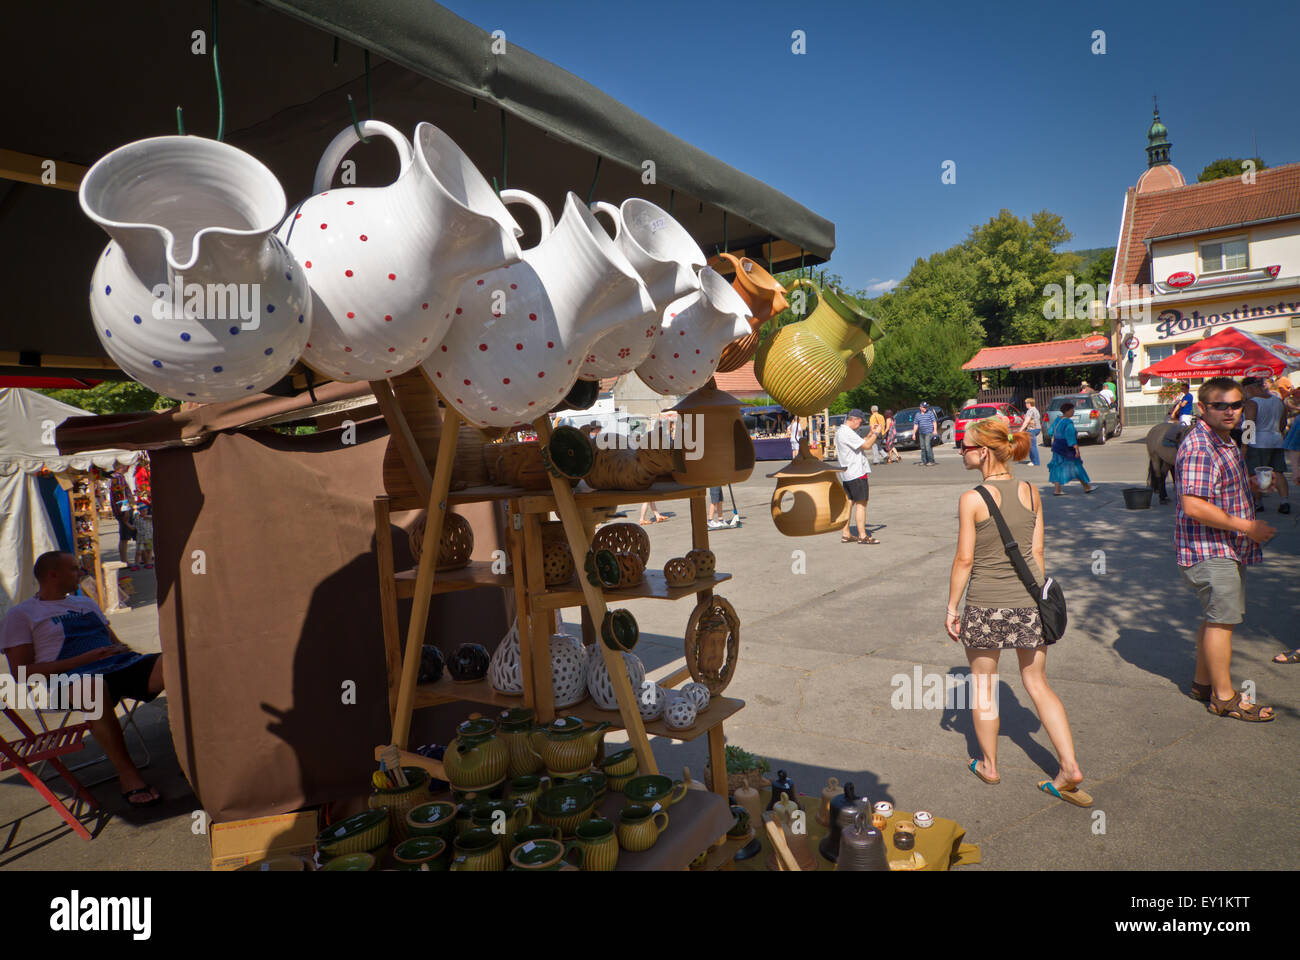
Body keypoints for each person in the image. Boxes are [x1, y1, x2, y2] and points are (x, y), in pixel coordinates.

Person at [945, 418, 1089, 806]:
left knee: (984, 686)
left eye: (965, 445)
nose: (961, 451)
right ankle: (1069, 765)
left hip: (985, 605)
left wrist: (951, 607)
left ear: (984, 452)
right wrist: (1032, 600)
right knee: (1038, 683)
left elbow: (964, 559)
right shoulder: (1030, 490)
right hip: (1028, 604)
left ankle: (989, 766)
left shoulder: (972, 498)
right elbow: (1037, 554)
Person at [1, 551, 165, 805]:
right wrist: (84, 659)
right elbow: (22, 673)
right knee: (93, 687)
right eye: (75, 569)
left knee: (175, 662)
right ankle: (128, 775)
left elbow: (114, 642)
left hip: (116, 666)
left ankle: (197, 747)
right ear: (53, 574)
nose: (81, 573)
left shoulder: (86, 604)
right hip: (64, 681)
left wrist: (123, 649)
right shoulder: (21, 615)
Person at [1175, 377, 1276, 720]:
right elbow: (1194, 505)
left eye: (1236, 404)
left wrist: (1252, 484)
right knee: (1222, 623)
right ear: (1202, 408)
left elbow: (1217, 488)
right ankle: (1224, 697)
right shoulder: (1201, 445)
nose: (1230, 411)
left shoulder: (1223, 441)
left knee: (1215, 618)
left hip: (1222, 546)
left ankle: (1202, 684)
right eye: (1221, 405)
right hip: (1209, 549)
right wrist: (1249, 526)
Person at [1241, 376, 1290, 514]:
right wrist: (1276, 433)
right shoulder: (1278, 401)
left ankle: (1258, 503)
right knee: (1279, 472)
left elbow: (1249, 425)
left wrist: (1244, 446)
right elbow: (1283, 423)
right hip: (1276, 439)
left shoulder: (1252, 402)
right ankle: (1284, 501)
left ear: (1249, 388)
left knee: (1255, 472)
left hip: (1258, 441)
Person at [835, 409, 880, 543]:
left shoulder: (841, 431)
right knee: (862, 503)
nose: (860, 425)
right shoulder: (847, 432)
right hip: (856, 472)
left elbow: (860, 443)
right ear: (854, 419)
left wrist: (871, 433)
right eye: (860, 422)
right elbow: (866, 445)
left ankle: (846, 533)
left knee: (849, 503)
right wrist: (876, 434)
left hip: (847, 473)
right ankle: (862, 535)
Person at [1047, 403, 1094, 495]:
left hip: (1057, 446)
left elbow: (1050, 432)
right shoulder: (1068, 423)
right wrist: (1076, 448)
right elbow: (1070, 436)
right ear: (1067, 411)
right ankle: (1087, 487)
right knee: (1076, 466)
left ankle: (1057, 490)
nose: (1073, 412)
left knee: (1057, 466)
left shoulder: (1057, 420)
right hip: (1066, 447)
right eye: (1072, 410)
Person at [1017, 397, 1042, 467]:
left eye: (1026, 403)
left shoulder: (1030, 411)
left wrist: (1020, 430)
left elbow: (1026, 421)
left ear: (1029, 403)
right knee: (1031, 445)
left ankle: (1035, 462)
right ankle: (1034, 460)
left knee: (1032, 446)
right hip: (1037, 429)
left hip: (1032, 429)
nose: (1025, 404)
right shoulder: (1036, 410)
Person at [115, 499, 138, 569]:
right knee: (124, 538)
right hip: (124, 511)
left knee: (138, 535)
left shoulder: (125, 488)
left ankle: (143, 557)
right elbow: (121, 500)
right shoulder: (117, 488)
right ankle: (124, 561)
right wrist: (125, 513)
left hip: (129, 509)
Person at [915, 401, 938, 466]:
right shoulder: (917, 414)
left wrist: (935, 430)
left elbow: (934, 422)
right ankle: (924, 461)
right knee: (922, 447)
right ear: (920, 407)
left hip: (929, 432)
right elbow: (916, 424)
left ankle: (931, 461)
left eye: (926, 407)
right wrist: (914, 433)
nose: (925, 408)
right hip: (921, 433)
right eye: (924, 407)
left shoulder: (930, 413)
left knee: (927, 446)